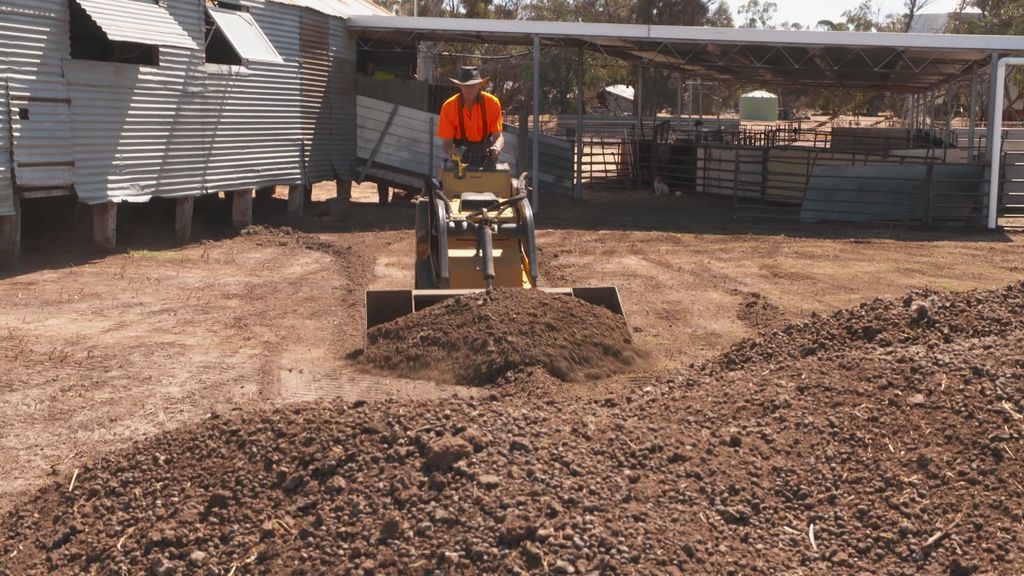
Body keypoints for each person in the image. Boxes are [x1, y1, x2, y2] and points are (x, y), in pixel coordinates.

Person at [437, 66, 504, 167]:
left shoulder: (493, 103)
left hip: (487, 156)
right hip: (461, 158)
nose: (469, 88)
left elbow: (498, 136)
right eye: (466, 85)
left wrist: (496, 147)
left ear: (480, 85)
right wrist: (452, 151)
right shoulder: (449, 106)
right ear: (460, 85)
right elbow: (446, 143)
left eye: (473, 85)